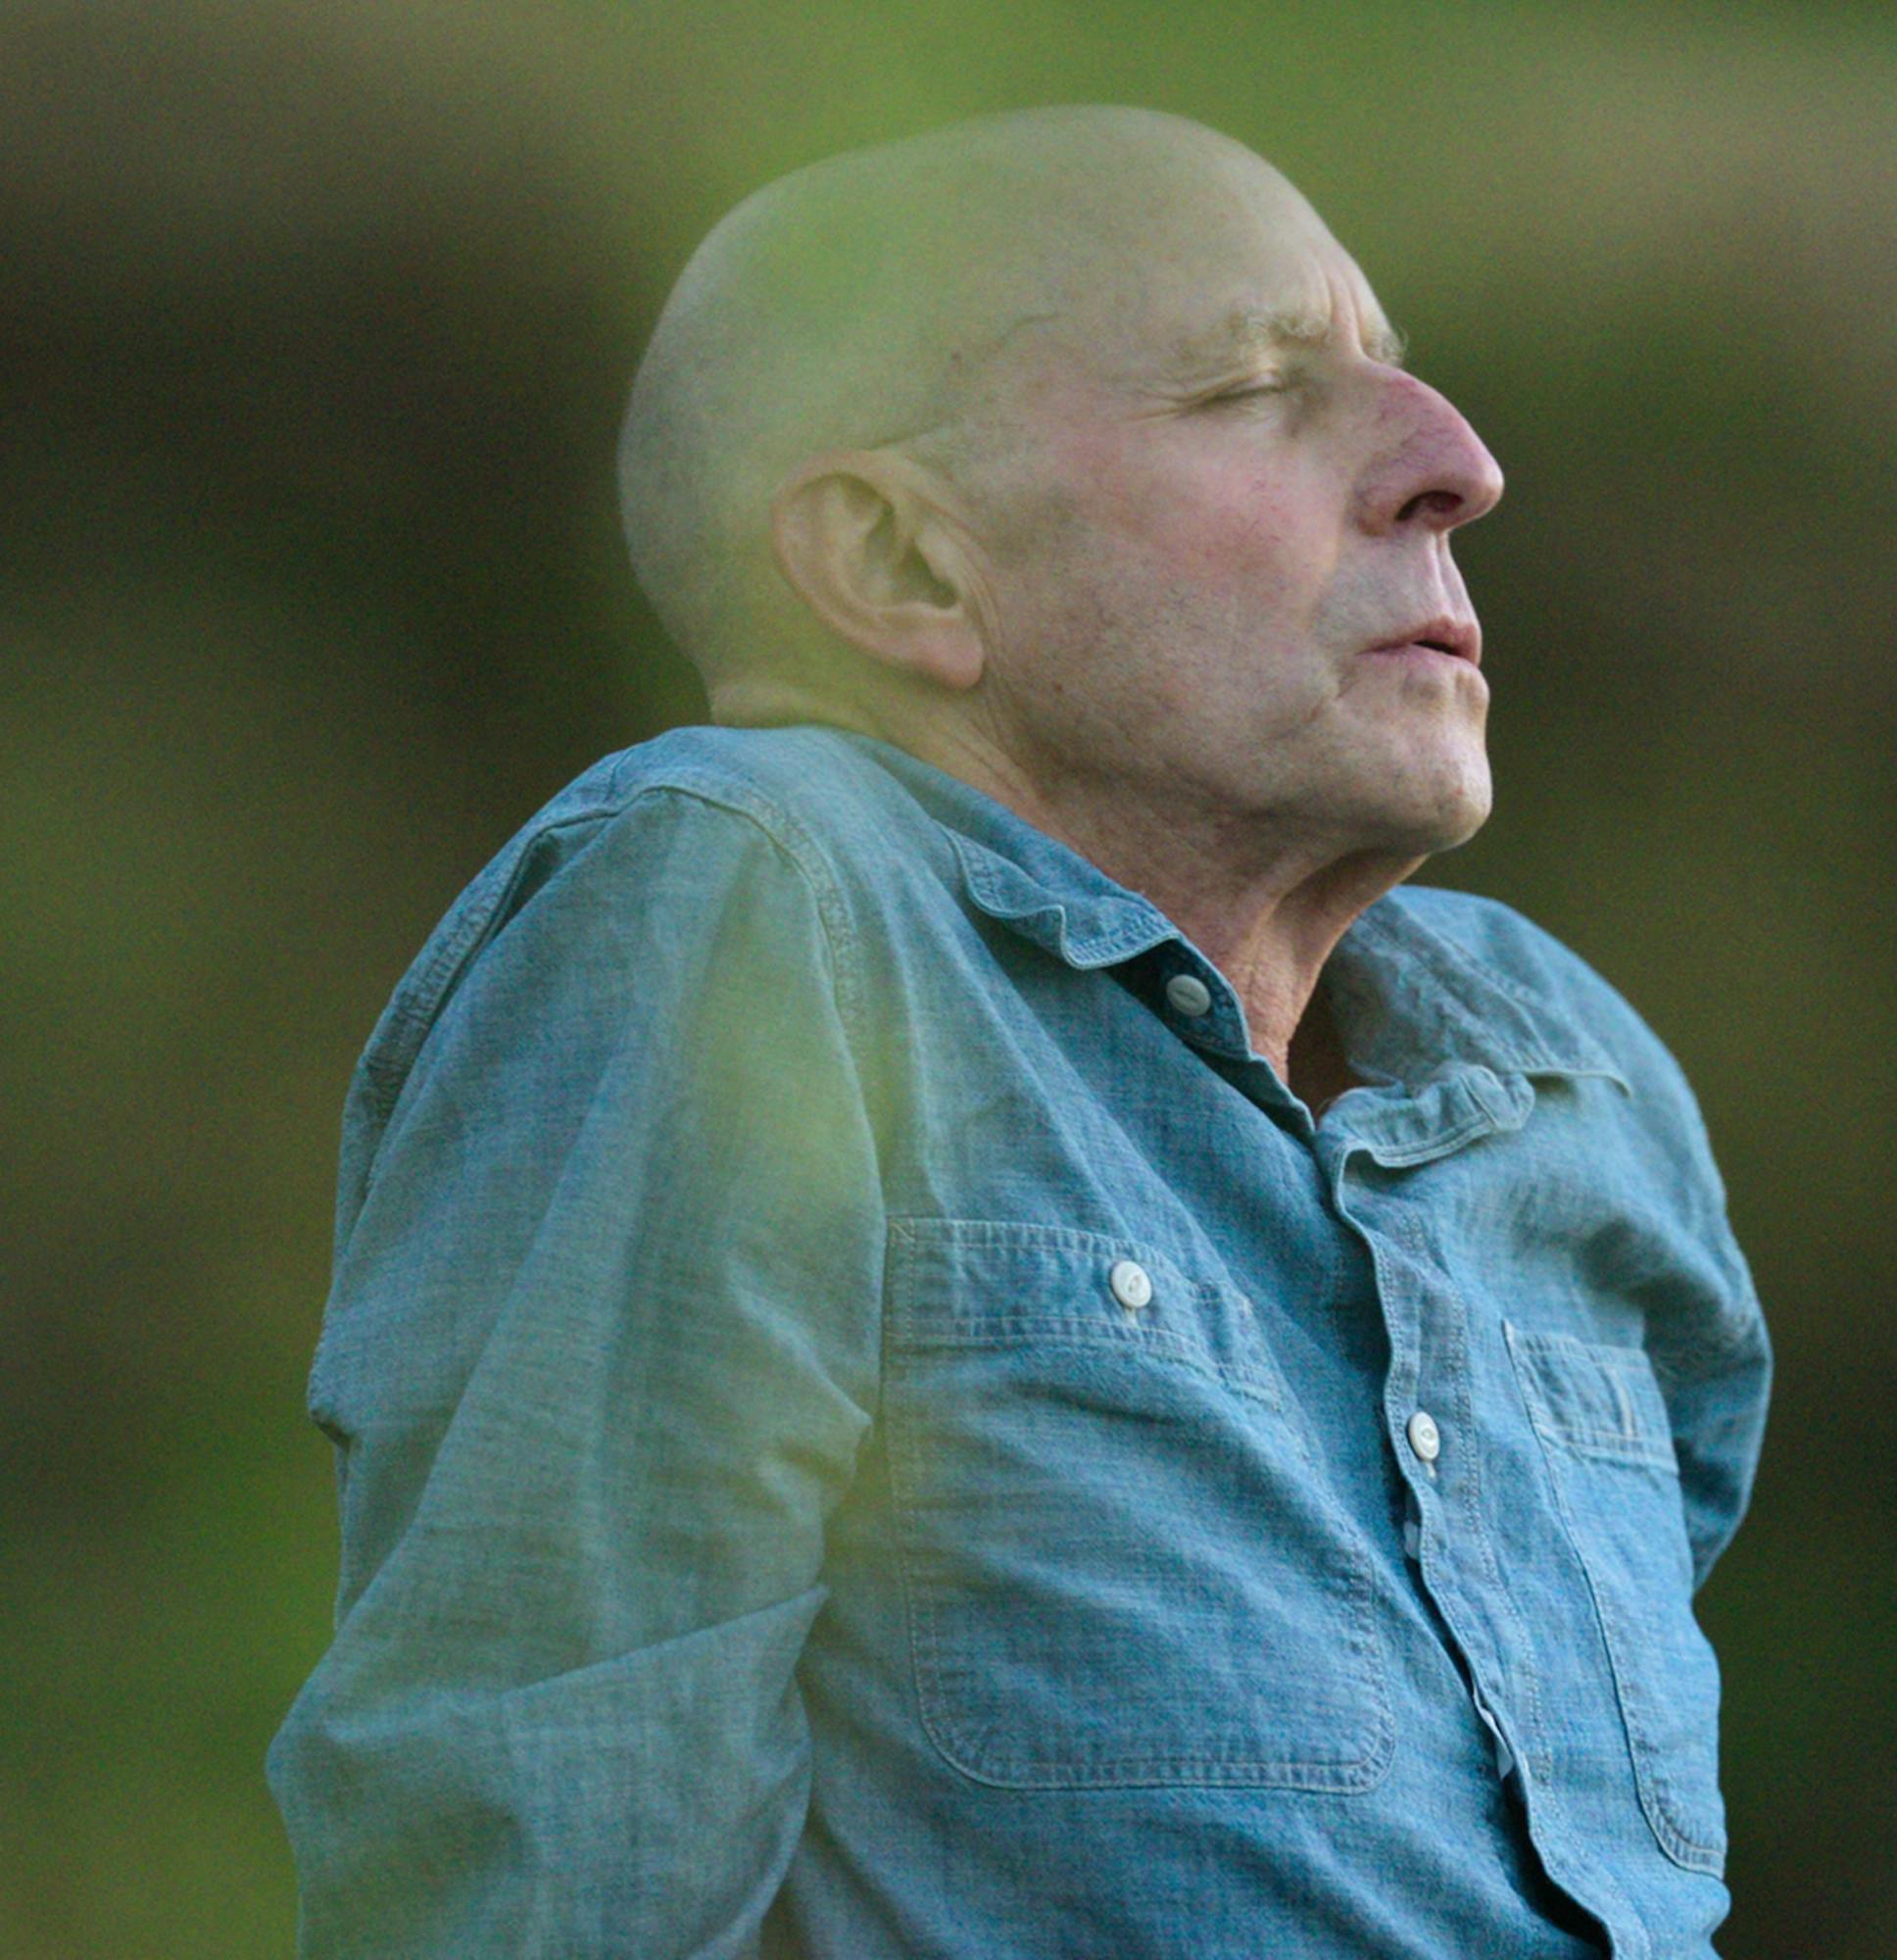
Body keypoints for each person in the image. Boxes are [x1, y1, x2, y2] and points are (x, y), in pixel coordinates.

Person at [267, 105, 1772, 1958]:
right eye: (1253, 387)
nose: (1454, 465)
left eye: (1397, 379)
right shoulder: (752, 895)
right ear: (903, 568)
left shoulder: (1559, 1068)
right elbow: (538, 1872)